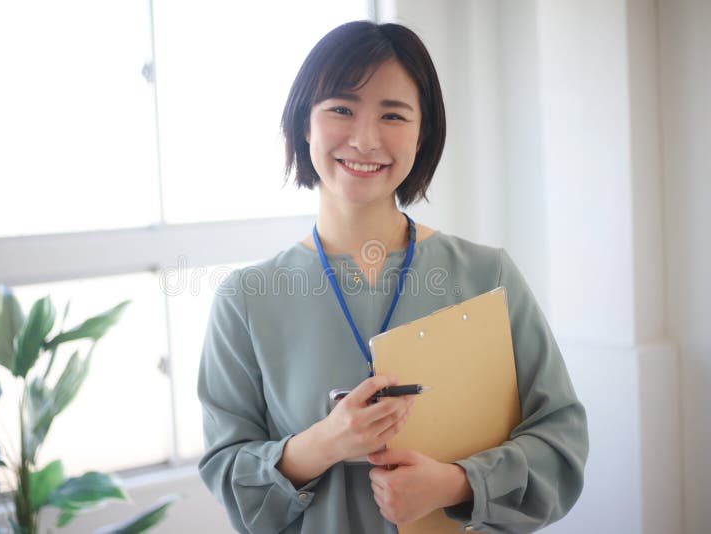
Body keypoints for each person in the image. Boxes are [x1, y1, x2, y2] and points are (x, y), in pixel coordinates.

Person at [197, 20, 588, 534]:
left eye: (393, 114)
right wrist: (324, 444)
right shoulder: (246, 301)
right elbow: (228, 475)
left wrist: (455, 483)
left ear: (423, 133)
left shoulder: (487, 277)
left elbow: (561, 444)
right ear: (303, 125)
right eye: (341, 109)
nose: (365, 138)